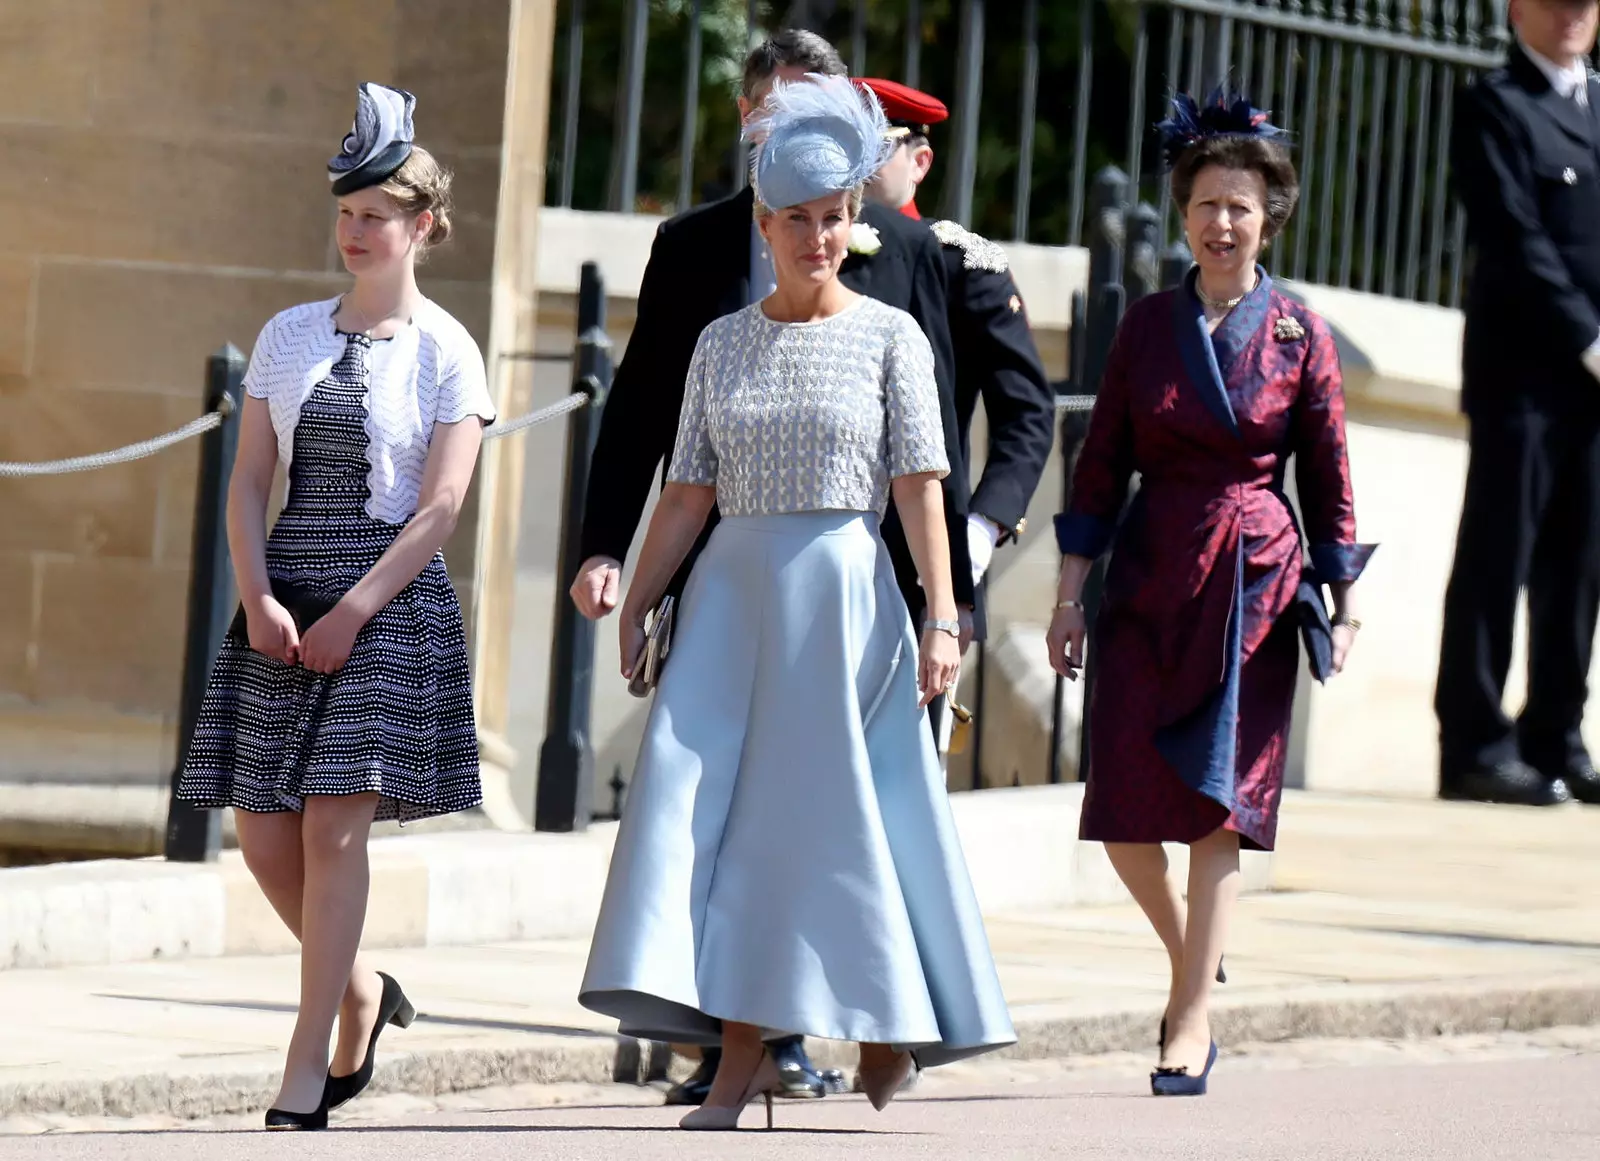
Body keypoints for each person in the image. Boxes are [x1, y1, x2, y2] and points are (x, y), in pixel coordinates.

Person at [577, 73, 1015, 1132]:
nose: (817, 238)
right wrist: (638, 604)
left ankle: (879, 1020)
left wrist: (943, 619)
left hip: (845, 605)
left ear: (854, 222)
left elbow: (922, 488)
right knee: (728, 830)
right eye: (798, 222)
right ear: (764, 224)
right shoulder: (721, 342)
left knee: (838, 829)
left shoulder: (889, 338)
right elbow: (688, 491)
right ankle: (737, 1061)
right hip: (731, 607)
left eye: (835, 219)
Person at [176, 83, 496, 1129]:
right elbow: (246, 482)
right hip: (283, 594)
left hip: (386, 603)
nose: (355, 232)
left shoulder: (449, 349)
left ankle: (306, 1066)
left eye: (377, 216)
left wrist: (353, 610)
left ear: (424, 228)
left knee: (331, 835)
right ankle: (359, 990)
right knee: (259, 834)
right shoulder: (286, 334)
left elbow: (442, 503)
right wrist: (257, 592)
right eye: (345, 214)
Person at [1045, 88, 1374, 1097]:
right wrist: (1067, 594)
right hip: (1149, 573)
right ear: (1181, 216)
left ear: (1268, 215)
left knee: (1216, 809)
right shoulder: (1145, 327)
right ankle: (1195, 948)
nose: (1221, 224)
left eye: (1240, 205)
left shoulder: (1299, 335)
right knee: (1122, 810)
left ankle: (1189, 1016)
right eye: (1204, 205)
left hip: (1256, 583)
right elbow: (1099, 465)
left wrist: (1344, 597)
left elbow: (1328, 473)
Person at [1435, 0, 1600, 807]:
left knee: (1581, 562)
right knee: (1498, 558)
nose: (1571, 16)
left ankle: (1557, 734)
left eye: (1585, 3)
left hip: (1592, 383)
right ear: (1515, 9)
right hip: (1525, 372)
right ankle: (1473, 742)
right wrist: (1587, 335)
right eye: (1555, 1)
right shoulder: (1494, 105)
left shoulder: (1596, 105)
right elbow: (1515, 234)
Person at [857, 77, 1057, 650]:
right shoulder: (807, 255)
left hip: (922, 559)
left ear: (919, 161)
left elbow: (1025, 410)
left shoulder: (960, 264)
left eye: (873, 149)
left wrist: (981, 527)